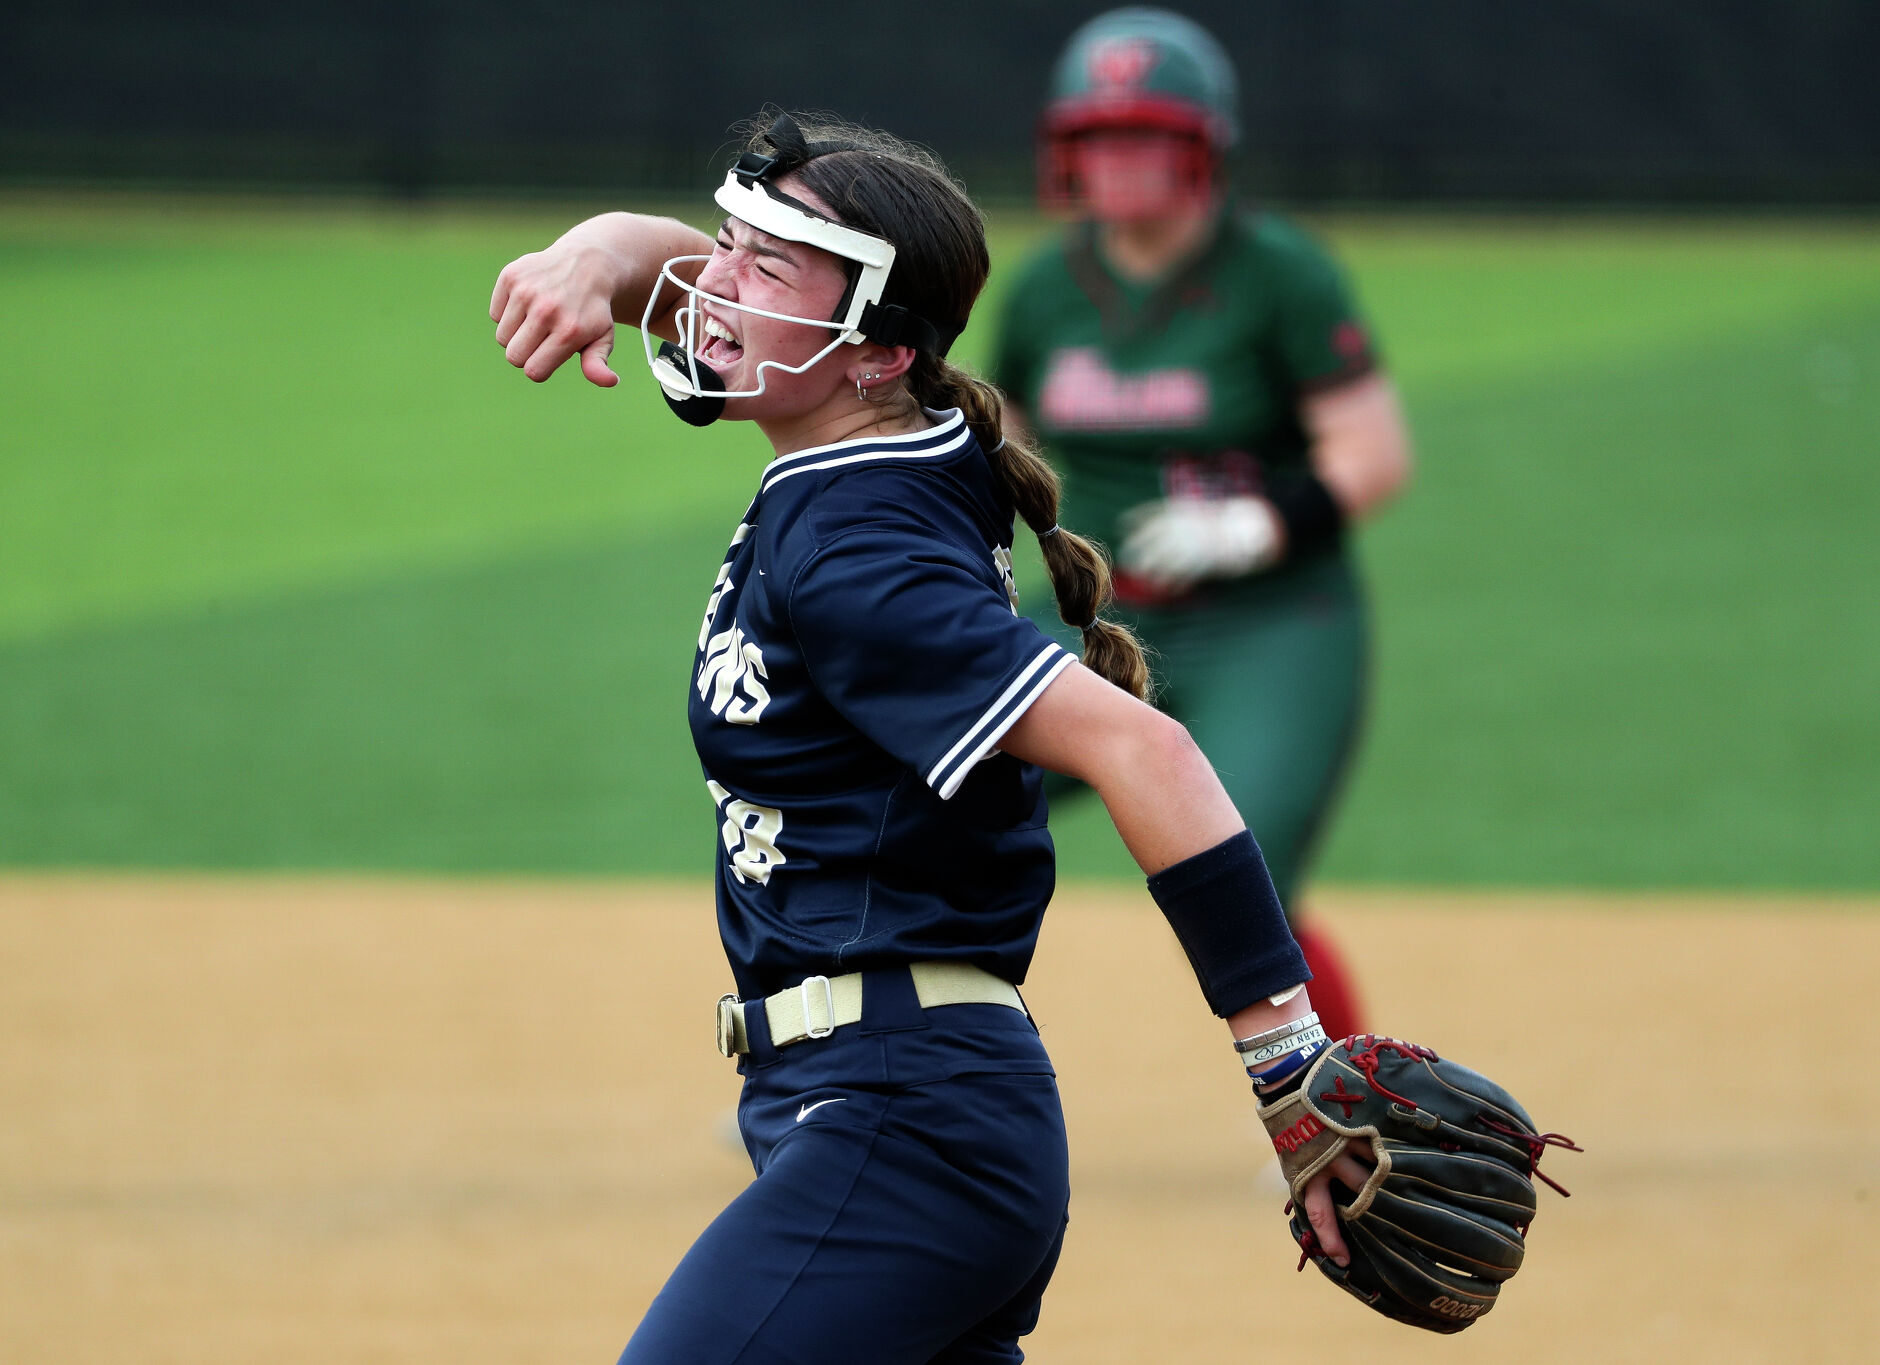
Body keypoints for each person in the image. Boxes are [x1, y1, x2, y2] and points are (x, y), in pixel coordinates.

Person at [489, 110, 1375, 1364]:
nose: (714, 283)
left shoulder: (858, 552)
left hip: (903, 1126)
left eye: (763, 264)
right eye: (729, 243)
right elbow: (686, 270)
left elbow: (1149, 752)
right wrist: (595, 256)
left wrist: (1288, 1069)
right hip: (888, 1110)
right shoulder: (905, 439)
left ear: (878, 350)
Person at [995, 8, 1415, 1039]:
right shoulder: (1048, 287)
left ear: (1200, 146)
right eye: (1097, 136)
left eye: (1144, 134)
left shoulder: (1278, 273)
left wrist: (1251, 526)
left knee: (1242, 870)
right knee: (931, 815)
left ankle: (1346, 1102)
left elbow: (1372, 454)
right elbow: (1000, 437)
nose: (1117, 159)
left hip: (1265, 620)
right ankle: (857, 1077)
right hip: (1093, 620)